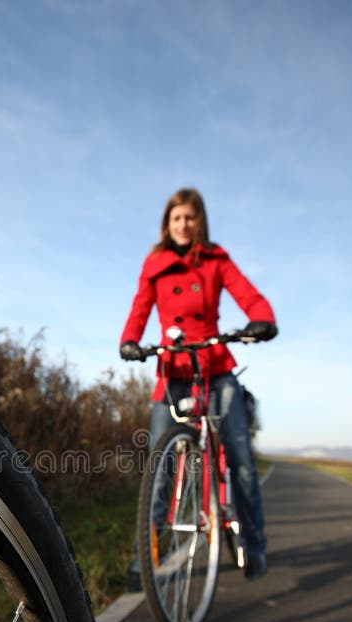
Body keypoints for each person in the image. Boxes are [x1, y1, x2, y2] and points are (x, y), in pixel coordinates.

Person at [119, 187, 277, 587]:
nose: (184, 224)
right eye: (177, 218)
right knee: (161, 465)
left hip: (215, 365)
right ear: (167, 223)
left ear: (199, 221)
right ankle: (145, 560)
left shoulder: (216, 259)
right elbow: (140, 307)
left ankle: (255, 545)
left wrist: (262, 319)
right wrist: (129, 340)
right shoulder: (155, 263)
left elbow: (247, 294)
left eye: (190, 217)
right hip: (173, 368)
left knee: (240, 458)